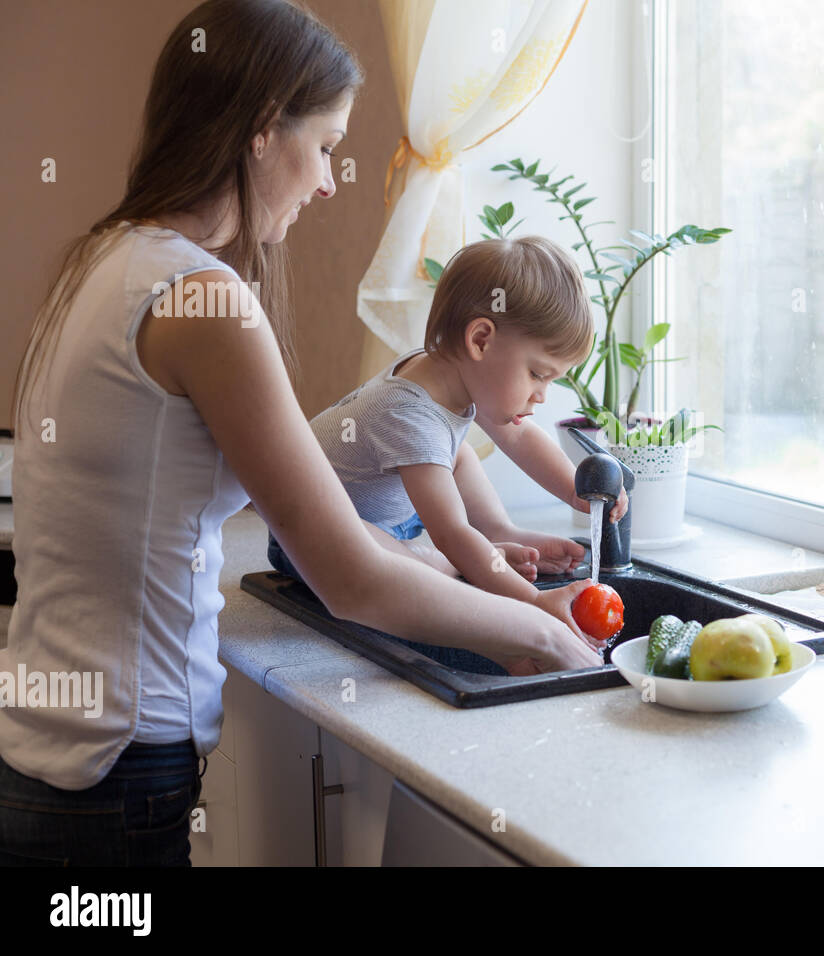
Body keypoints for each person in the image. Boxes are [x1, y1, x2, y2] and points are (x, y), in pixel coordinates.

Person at [0, 0, 599, 868]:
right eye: (324, 146)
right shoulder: (204, 302)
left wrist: (492, 577)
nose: (327, 181)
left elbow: (337, 528)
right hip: (113, 777)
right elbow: (349, 575)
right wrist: (542, 633)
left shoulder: (106, 259)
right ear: (258, 130)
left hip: (50, 755)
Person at [266, 236, 628, 675]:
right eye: (537, 374)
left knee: (458, 456)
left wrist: (579, 492)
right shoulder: (410, 415)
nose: (541, 395)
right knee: (428, 563)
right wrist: (532, 602)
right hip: (315, 542)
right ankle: (479, 559)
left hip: (401, 521)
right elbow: (452, 534)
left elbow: (520, 437)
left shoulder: (457, 371)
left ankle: (496, 533)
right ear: (480, 339)